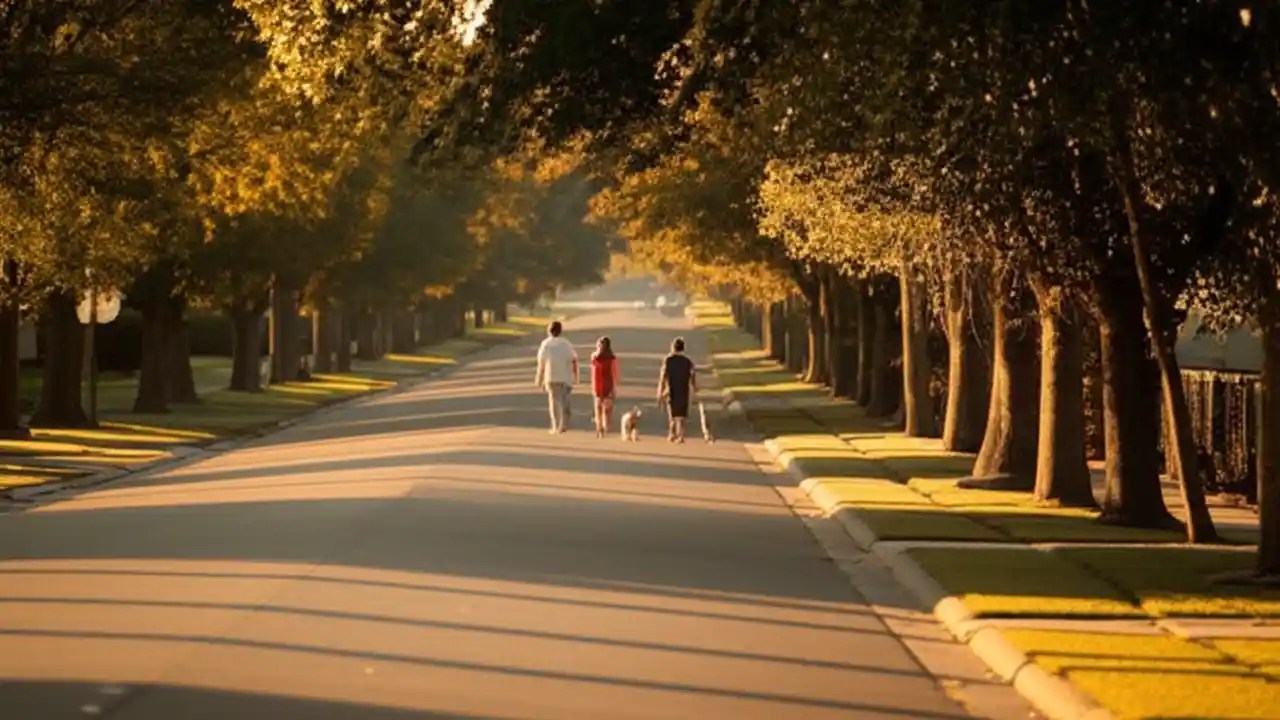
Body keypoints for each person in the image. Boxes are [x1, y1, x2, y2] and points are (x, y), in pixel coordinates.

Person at [534, 321, 578, 434]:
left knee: (553, 402)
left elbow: (541, 363)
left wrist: (539, 378)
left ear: (549, 331)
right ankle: (563, 424)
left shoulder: (545, 344)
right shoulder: (566, 344)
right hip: (565, 377)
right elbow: (574, 360)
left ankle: (555, 426)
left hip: (551, 376)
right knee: (563, 402)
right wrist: (576, 376)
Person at [656, 336, 696, 443]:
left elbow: (663, 376)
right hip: (683, 389)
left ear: (673, 347)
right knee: (682, 414)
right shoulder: (688, 361)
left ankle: (672, 433)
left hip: (671, 388)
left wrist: (660, 391)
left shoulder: (668, 360)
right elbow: (693, 375)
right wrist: (695, 388)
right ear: (683, 348)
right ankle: (681, 435)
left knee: (672, 413)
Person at [590, 336, 621, 438]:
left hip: (597, 385)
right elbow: (614, 373)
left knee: (598, 408)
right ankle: (605, 426)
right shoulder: (612, 358)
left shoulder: (594, 357)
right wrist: (614, 388)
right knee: (607, 410)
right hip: (608, 385)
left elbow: (593, 372)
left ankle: (599, 427)